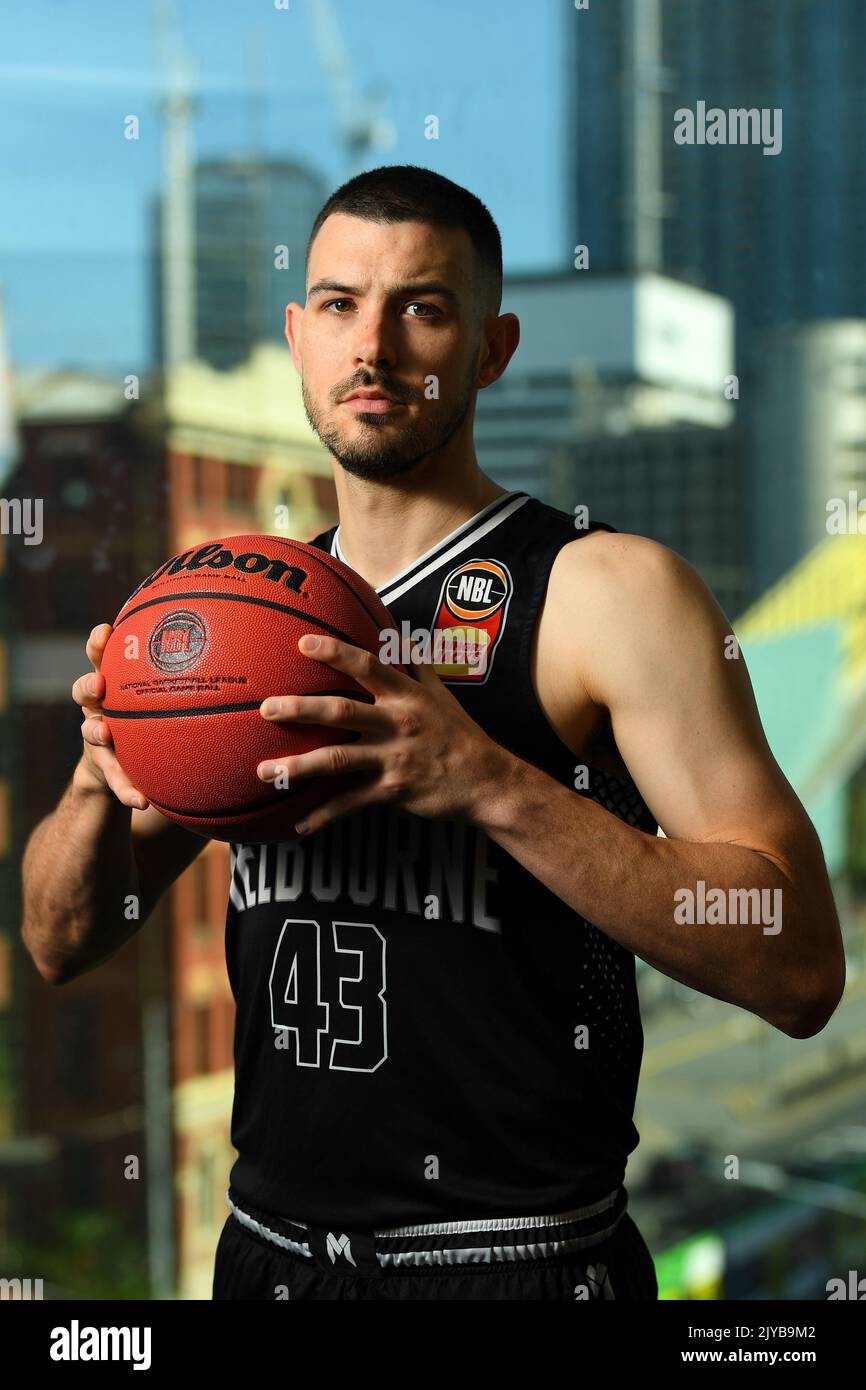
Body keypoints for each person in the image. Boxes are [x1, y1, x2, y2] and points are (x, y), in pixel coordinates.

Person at [21, 165, 845, 1302]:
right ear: (298, 336)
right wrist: (94, 784)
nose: (374, 347)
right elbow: (61, 942)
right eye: (340, 305)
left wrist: (487, 781)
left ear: (491, 349)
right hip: (267, 1260)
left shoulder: (605, 593)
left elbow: (796, 964)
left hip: (516, 1260)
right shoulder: (235, 625)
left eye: (422, 307)